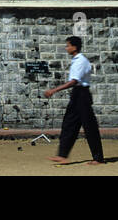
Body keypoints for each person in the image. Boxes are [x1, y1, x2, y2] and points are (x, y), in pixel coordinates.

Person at [44, 35, 105, 165]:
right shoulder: (76, 60)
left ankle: (98, 158)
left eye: (68, 45)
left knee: (89, 127)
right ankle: (62, 155)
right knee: (69, 125)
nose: (66, 48)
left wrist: (54, 90)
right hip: (77, 94)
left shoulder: (80, 61)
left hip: (81, 95)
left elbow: (74, 81)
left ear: (74, 47)